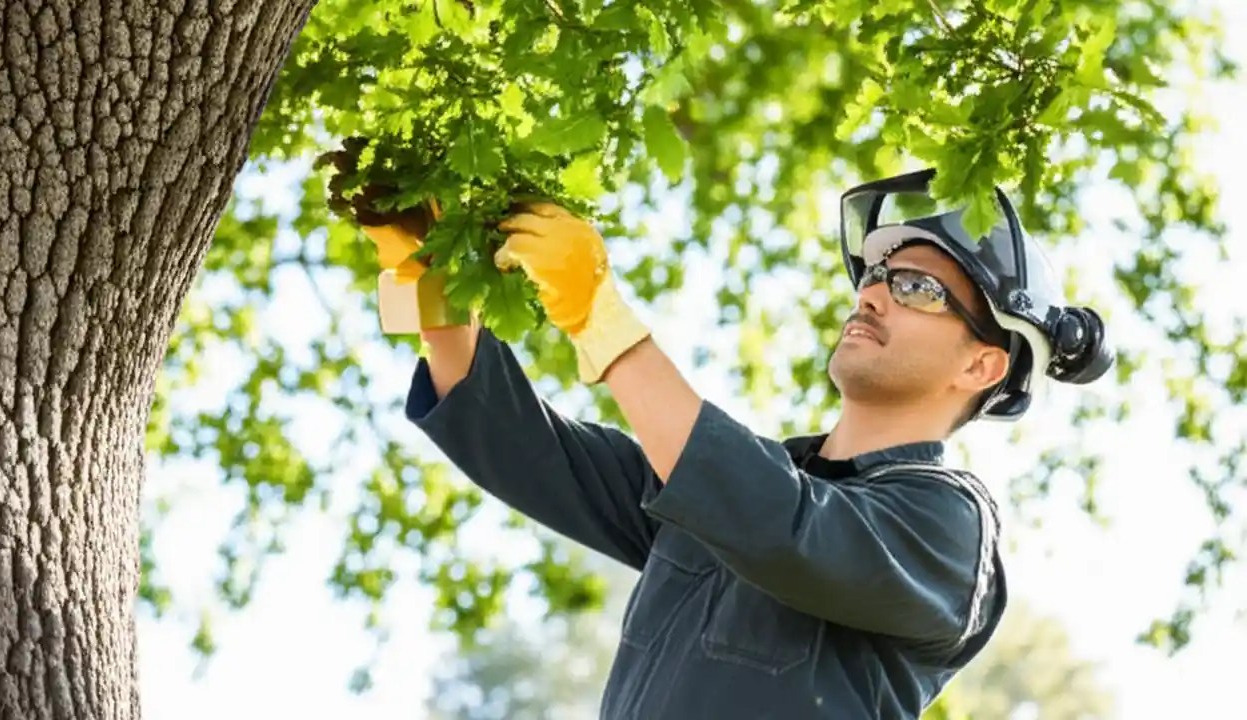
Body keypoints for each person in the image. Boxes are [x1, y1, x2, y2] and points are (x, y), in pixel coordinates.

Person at [364, 168, 1112, 718]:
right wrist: (435, 285)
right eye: (877, 275)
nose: (874, 291)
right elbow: (525, 446)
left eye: (918, 288)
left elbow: (778, 523)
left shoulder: (948, 528)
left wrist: (602, 317)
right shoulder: (737, 484)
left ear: (982, 365)